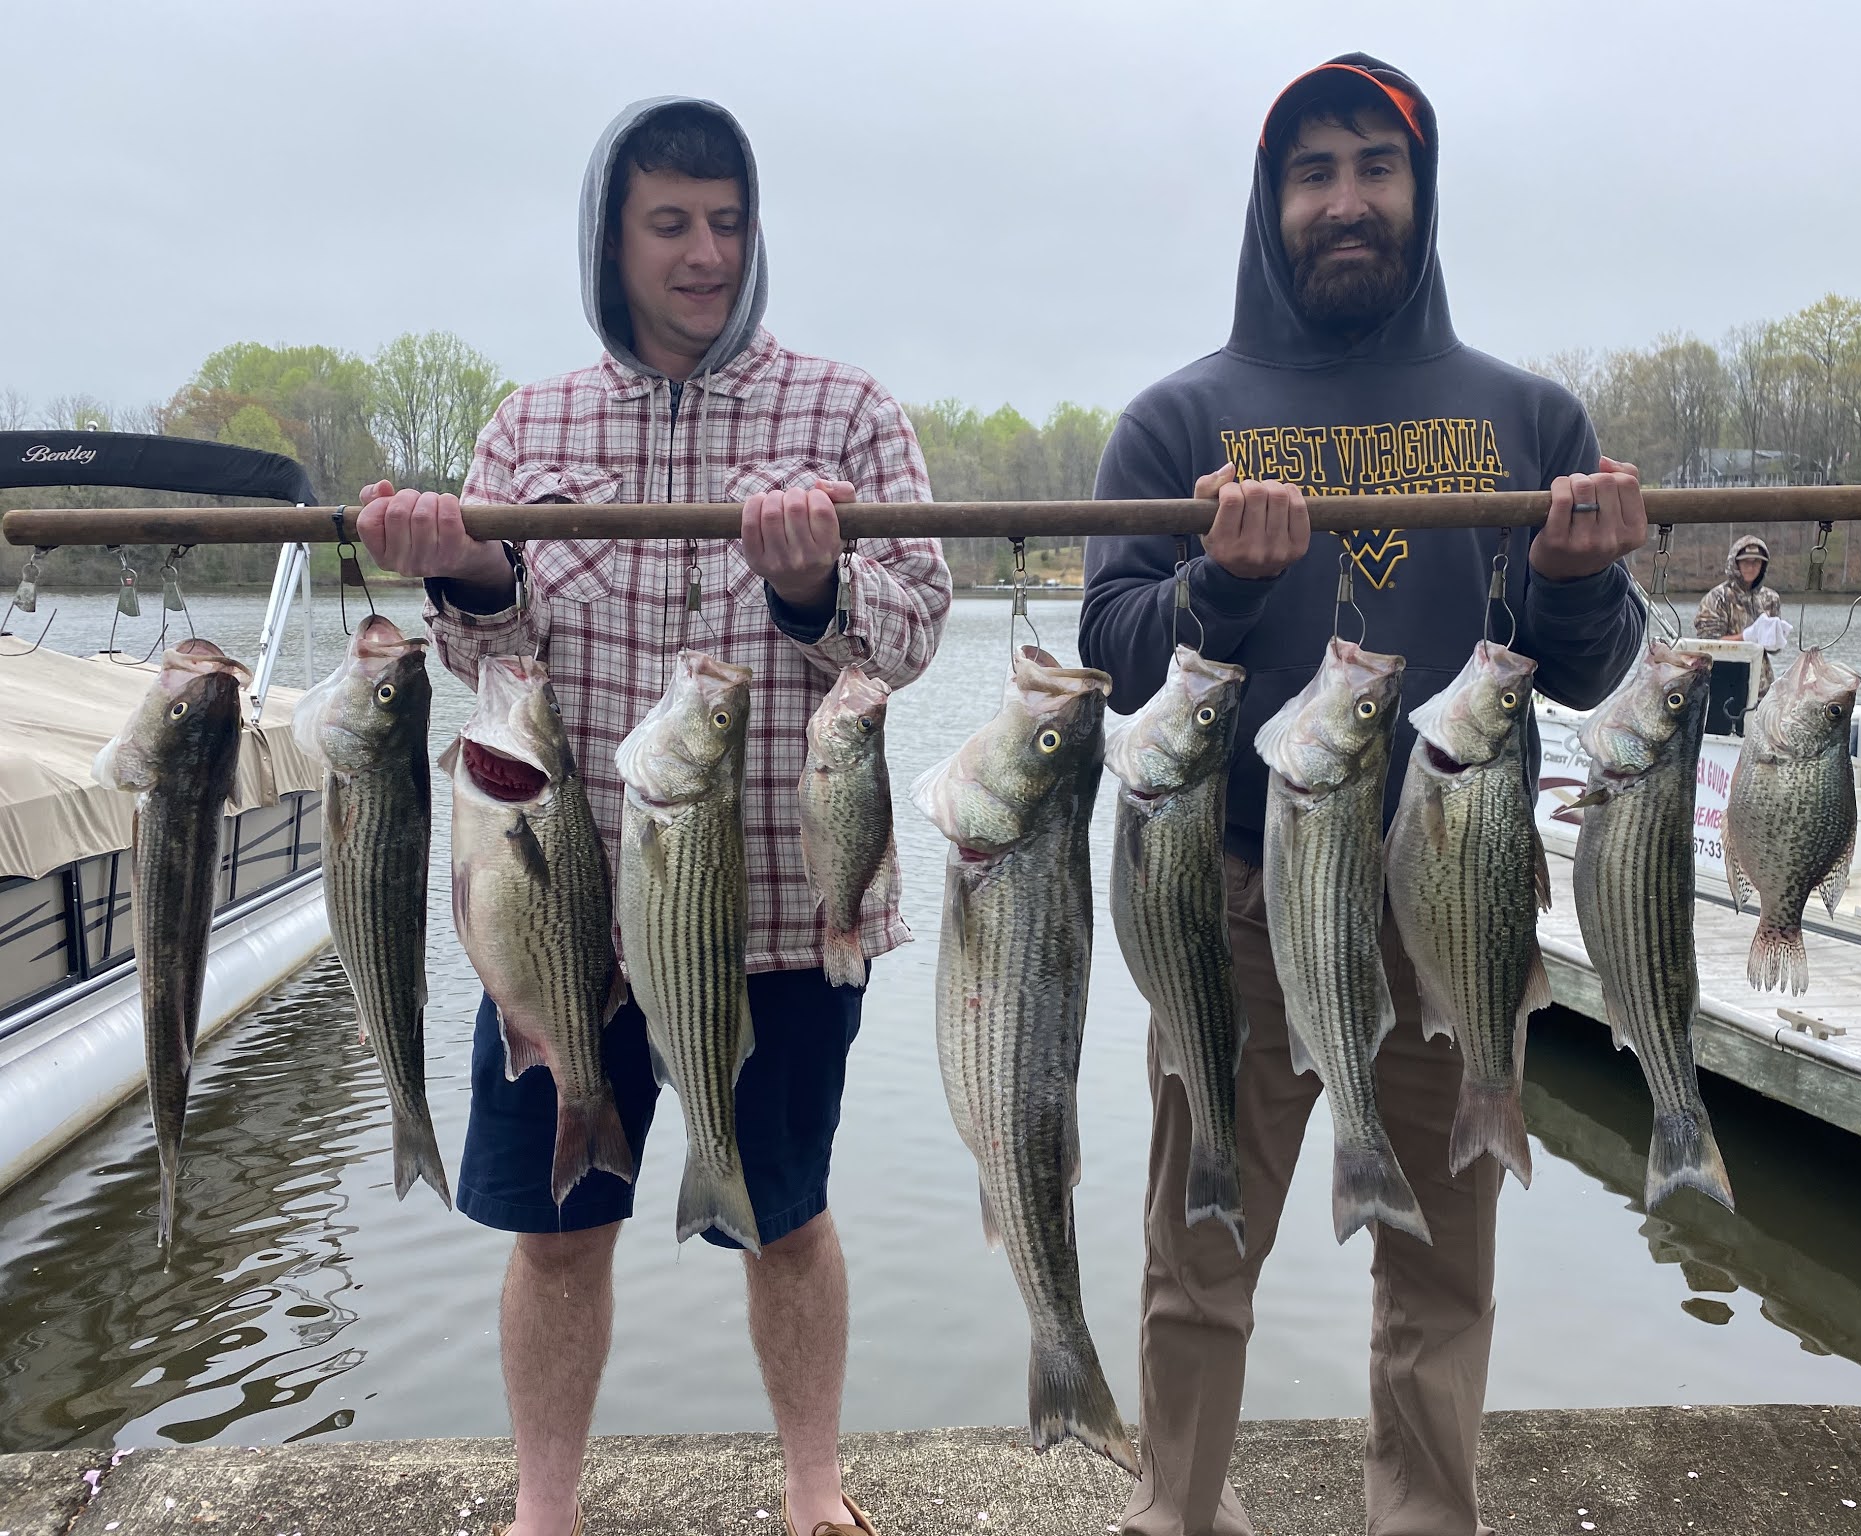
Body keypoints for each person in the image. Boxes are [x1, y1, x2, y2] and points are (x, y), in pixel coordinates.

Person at [357, 97, 951, 1536]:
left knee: (785, 1217)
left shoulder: (850, 412)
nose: (703, 254)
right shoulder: (531, 423)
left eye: (727, 223)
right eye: (669, 223)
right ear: (610, 239)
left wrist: (817, 589)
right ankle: (542, 1507)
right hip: (560, 909)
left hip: (779, 914)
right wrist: (461, 577)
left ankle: (814, 1482)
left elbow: (920, 625)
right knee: (556, 1240)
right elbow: (496, 668)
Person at [1079, 54, 1647, 1536]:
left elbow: (1584, 671)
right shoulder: (1175, 423)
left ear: (1420, 191)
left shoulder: (1530, 419)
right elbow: (1113, 657)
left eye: (1374, 169)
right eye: (1313, 172)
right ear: (1271, 205)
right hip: (1244, 909)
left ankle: (1424, 1522)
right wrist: (1215, 579)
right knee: (1199, 1257)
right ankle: (1176, 1517)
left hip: (1456, 907)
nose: (1346, 201)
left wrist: (1577, 574)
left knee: (1444, 1275)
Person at [1695, 534, 1787, 688]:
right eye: (1746, 562)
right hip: (1724, 683)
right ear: (1735, 563)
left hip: (1761, 685)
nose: (1751, 567)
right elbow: (1707, 645)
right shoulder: (1717, 597)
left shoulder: (1771, 598)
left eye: (1757, 562)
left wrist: (1777, 640)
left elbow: (1772, 649)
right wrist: (1746, 637)